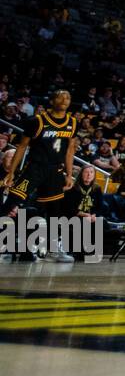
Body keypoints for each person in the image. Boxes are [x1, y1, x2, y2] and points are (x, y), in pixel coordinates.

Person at [2, 90, 78, 261]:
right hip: (35, 168)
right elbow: (22, 147)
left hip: (55, 171)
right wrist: (12, 172)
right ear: (52, 100)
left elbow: (70, 150)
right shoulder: (37, 121)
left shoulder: (72, 123)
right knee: (11, 202)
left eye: (68, 97)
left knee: (54, 212)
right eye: (60, 97)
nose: (65, 100)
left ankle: (52, 248)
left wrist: (68, 173)